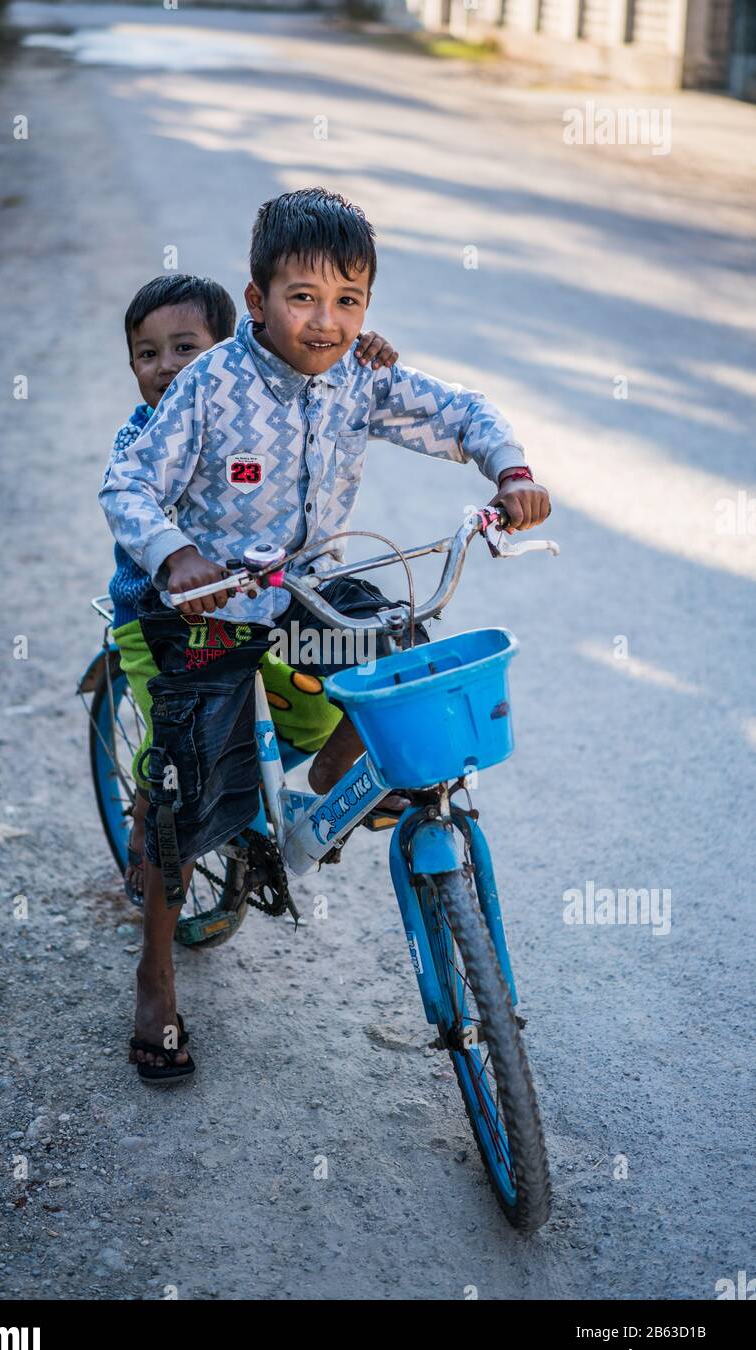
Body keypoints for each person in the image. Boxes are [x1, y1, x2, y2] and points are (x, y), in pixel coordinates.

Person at [99, 188, 551, 1083]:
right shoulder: (210, 384)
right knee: (181, 789)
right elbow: (127, 486)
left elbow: (461, 411)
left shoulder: (359, 377)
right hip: (198, 607)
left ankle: (325, 805)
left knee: (395, 644)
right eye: (303, 297)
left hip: (295, 596)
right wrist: (177, 556)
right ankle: (156, 979)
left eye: (349, 300)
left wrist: (512, 471)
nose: (327, 319)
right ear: (258, 298)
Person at [107, 271, 401, 904]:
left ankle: (276, 786)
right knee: (178, 768)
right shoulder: (138, 438)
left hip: (259, 609)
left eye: (187, 348)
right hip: (163, 622)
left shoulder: (248, 411)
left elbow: (307, 364)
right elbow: (129, 497)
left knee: (326, 704)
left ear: (229, 357)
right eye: (147, 354)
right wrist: (177, 559)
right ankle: (148, 821)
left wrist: (353, 351)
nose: (166, 367)